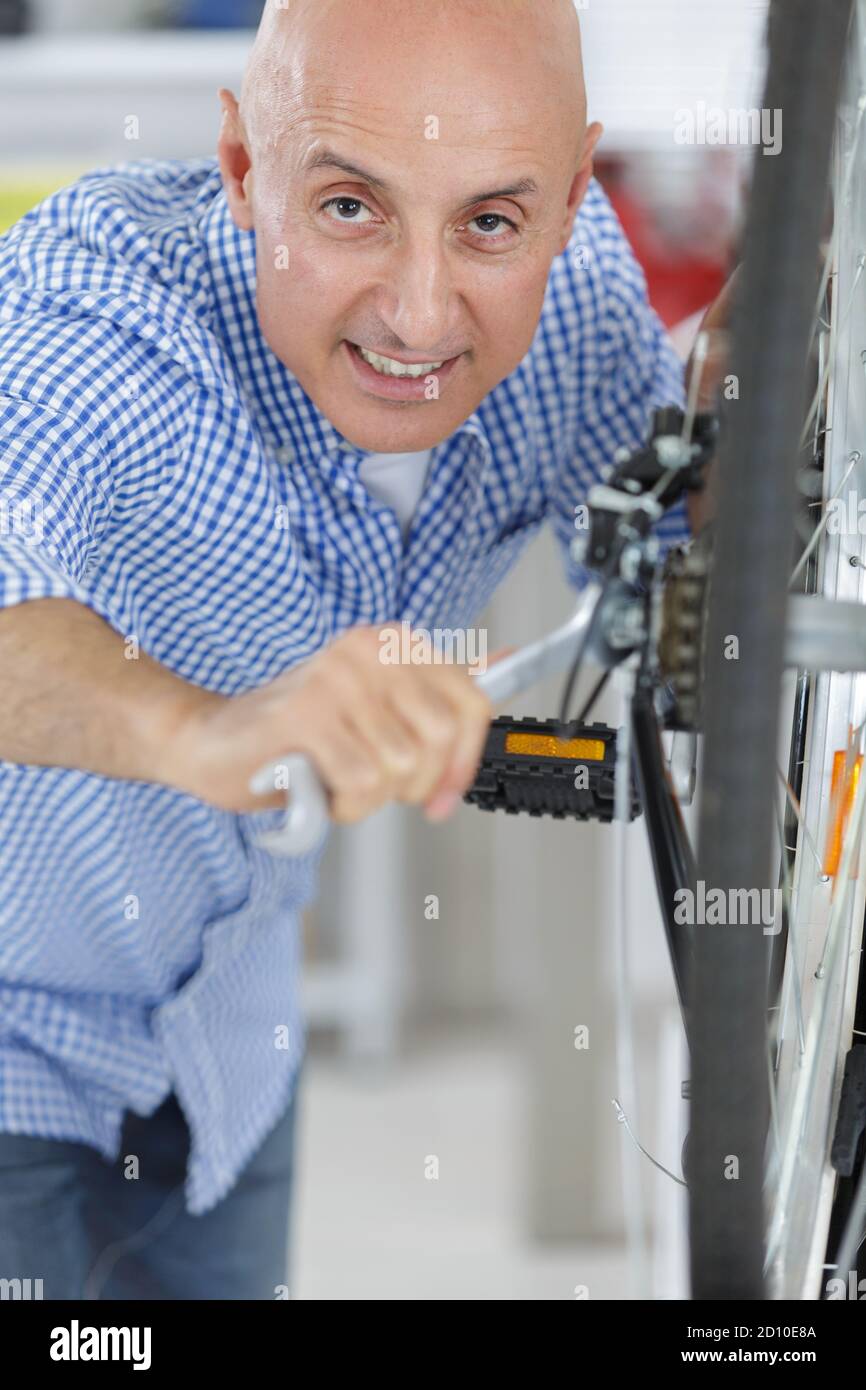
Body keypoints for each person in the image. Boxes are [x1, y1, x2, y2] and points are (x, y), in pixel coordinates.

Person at [0, 0, 711, 1298]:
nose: (420, 311)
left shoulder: (577, 301)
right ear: (241, 171)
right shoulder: (96, 304)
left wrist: (746, 447)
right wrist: (205, 729)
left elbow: (687, 578)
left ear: (562, 200)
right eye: (348, 208)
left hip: (225, 1041)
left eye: (490, 222)